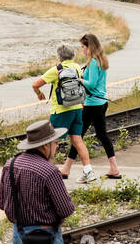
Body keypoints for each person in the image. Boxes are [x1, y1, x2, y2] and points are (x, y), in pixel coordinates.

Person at [33, 44, 95, 184]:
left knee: (51, 141)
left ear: (59, 56)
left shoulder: (55, 70)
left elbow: (35, 84)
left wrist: (39, 94)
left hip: (60, 111)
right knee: (77, 140)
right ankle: (88, 171)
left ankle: (46, 172)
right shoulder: (77, 67)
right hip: (77, 108)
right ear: (72, 55)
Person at [77, 32, 121, 178]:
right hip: (101, 102)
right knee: (101, 135)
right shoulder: (101, 59)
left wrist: (80, 80)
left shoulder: (93, 62)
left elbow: (91, 84)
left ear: (89, 47)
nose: (82, 49)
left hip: (93, 104)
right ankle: (114, 168)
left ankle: (67, 168)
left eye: (83, 46)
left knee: (78, 135)